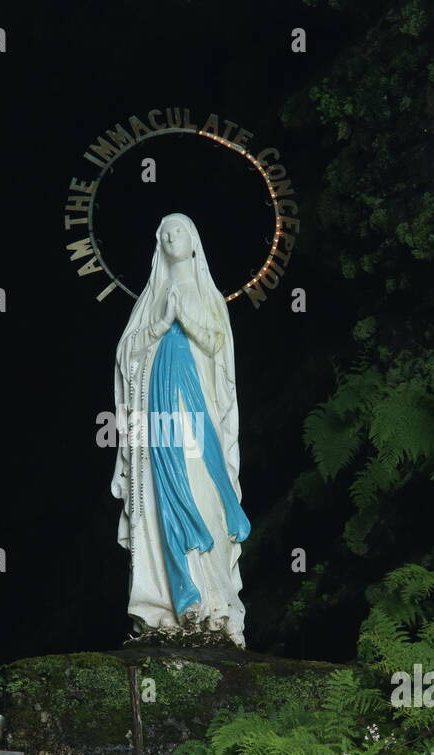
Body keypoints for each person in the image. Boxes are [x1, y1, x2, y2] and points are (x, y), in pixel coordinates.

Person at [112, 213, 250, 647]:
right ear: (159, 243)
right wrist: (160, 320)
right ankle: (173, 608)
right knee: (158, 501)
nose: (172, 236)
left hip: (196, 416)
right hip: (157, 422)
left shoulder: (208, 296)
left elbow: (217, 348)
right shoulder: (149, 299)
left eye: (181, 230)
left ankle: (216, 606)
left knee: (203, 490)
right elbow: (127, 355)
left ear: (194, 241)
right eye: (165, 231)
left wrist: (183, 318)